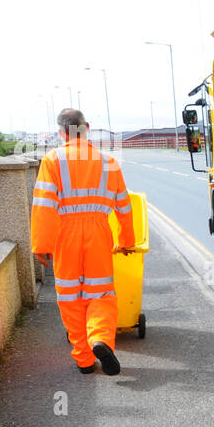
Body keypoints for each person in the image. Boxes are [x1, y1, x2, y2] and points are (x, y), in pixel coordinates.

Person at [31, 109, 135, 375]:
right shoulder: (109, 162)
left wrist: (41, 245)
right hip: (99, 233)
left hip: (65, 234)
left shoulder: (52, 160)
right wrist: (126, 240)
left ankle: (84, 360)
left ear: (60, 132)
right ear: (86, 127)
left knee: (70, 297)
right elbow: (124, 206)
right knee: (100, 293)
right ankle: (100, 338)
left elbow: (44, 206)